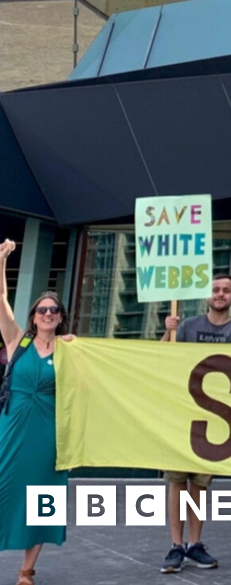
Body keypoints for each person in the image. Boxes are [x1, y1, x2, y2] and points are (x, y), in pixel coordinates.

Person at [159, 274, 231, 573]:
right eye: (215, 290)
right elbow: (161, 359)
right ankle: (176, 546)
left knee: (199, 484)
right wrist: (167, 334)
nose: (220, 294)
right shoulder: (186, 327)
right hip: (180, 414)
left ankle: (195, 545)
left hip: (215, 421)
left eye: (226, 291)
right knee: (176, 482)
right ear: (207, 295)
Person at [0, 239, 76, 585]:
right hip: (13, 425)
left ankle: (26, 572)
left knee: (42, 496)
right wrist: (2, 262)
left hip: (49, 433)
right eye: (42, 310)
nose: (47, 314)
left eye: (53, 311)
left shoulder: (70, 349)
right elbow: (1, 300)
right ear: (33, 316)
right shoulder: (19, 341)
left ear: (60, 318)